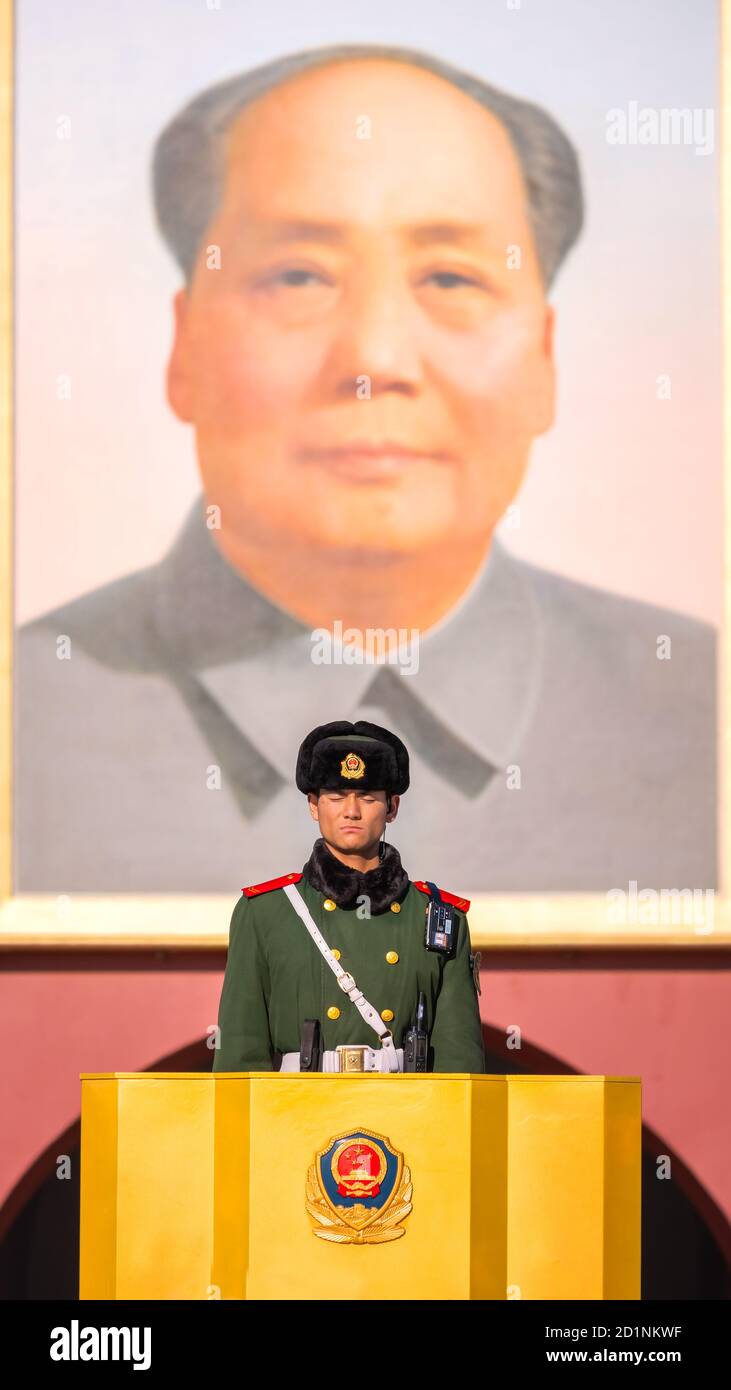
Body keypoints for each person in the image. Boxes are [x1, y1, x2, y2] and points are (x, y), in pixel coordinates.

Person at [15, 44, 716, 893]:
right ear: (184, 345)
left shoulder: (702, 711)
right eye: (299, 276)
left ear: (544, 357)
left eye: (450, 277)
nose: (375, 358)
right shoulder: (26, 719)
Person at [212, 720, 486, 1074]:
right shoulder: (265, 913)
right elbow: (238, 1060)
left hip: (406, 1105)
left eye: (368, 797)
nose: (352, 811)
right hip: (297, 1104)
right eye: (336, 796)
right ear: (314, 805)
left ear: (392, 807)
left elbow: (459, 1064)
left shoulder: (438, 917)